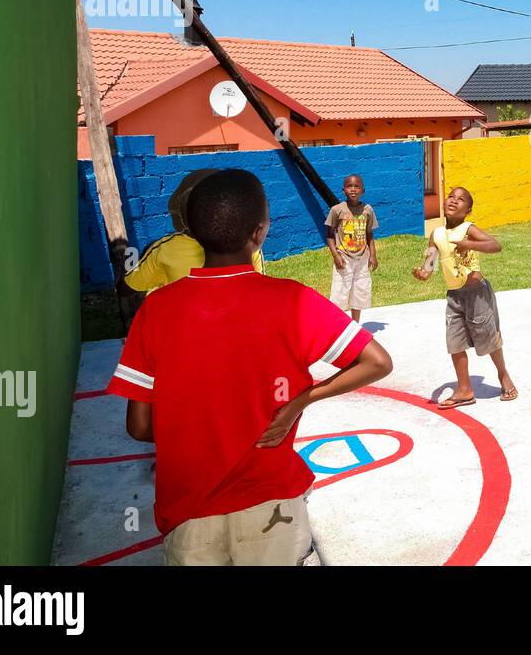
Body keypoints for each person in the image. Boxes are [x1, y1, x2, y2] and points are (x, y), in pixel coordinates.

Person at [106, 169, 393, 565]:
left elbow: (138, 426)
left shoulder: (156, 311)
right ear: (259, 233)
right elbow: (377, 362)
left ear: (192, 233)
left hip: (188, 511)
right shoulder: (293, 300)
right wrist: (300, 401)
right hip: (272, 505)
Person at [413, 187, 517, 408]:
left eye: (460, 200)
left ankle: (503, 374)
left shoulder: (468, 229)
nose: (453, 201)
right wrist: (424, 272)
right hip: (454, 296)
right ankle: (464, 390)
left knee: (488, 337)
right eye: (451, 196)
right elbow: (430, 262)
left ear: (468, 210)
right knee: (455, 342)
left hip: (477, 293)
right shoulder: (436, 234)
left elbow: (495, 245)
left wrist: (467, 243)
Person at [120, 169, 263, 298]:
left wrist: (130, 259)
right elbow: (258, 291)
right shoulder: (249, 246)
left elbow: (127, 287)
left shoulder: (165, 249)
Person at [324, 174, 379, 322]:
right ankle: (338, 326)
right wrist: (336, 255)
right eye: (349, 186)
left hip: (362, 259)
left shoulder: (368, 210)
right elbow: (329, 235)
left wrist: (373, 255)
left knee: (359, 293)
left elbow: (369, 234)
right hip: (344, 258)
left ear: (363, 190)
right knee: (339, 293)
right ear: (343, 191)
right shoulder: (337, 210)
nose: (353, 190)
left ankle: (355, 325)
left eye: (357, 186)